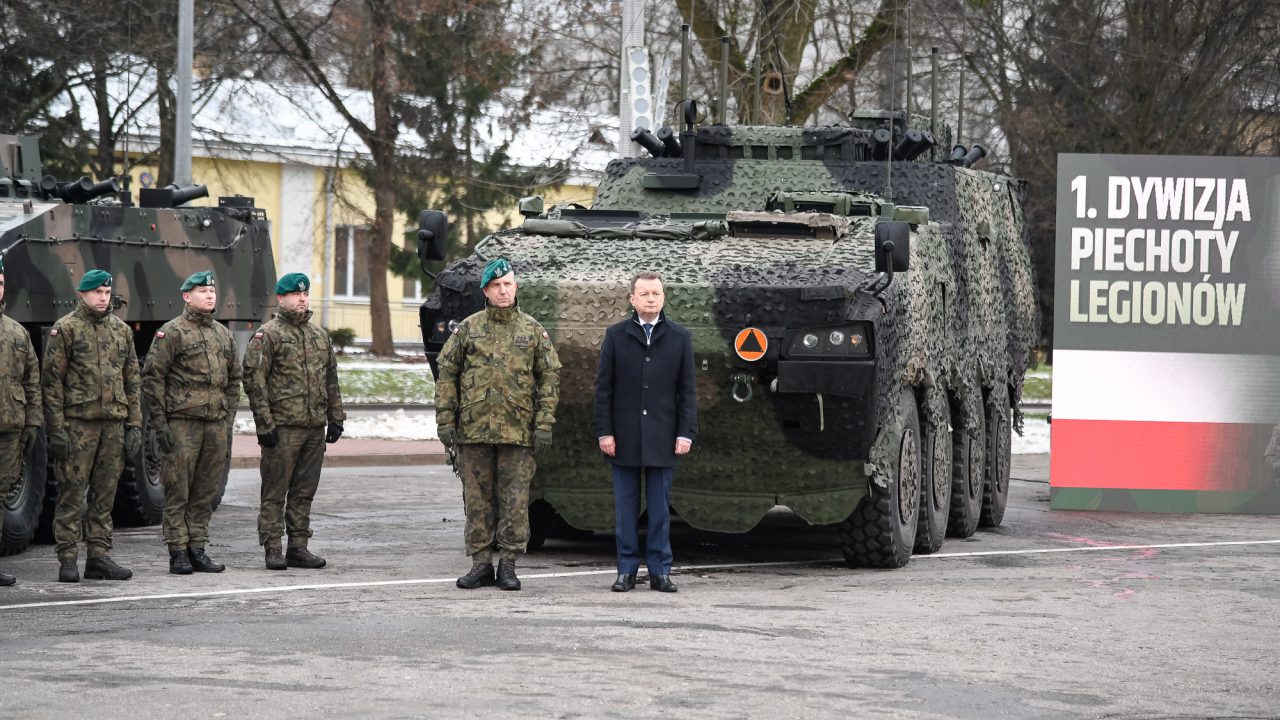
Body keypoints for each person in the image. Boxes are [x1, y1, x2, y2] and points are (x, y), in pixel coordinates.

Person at [435, 258, 561, 591]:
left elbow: (549, 378)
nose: (502, 290)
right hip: (473, 430)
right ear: (486, 291)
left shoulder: (532, 331)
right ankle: (480, 563)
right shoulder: (469, 329)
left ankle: (508, 564)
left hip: (518, 432)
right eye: (496, 286)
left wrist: (544, 424)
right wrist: (446, 420)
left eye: (507, 284)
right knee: (477, 499)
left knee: (515, 500)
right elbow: (446, 373)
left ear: (515, 287)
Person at [594, 271, 696, 593]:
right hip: (622, 436)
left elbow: (688, 391)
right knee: (625, 510)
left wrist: (686, 432)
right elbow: (603, 390)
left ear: (663, 298)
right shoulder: (616, 335)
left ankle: (660, 571)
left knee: (659, 510)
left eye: (656, 294)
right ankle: (625, 570)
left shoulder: (680, 338)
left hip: (663, 436)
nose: (651, 299)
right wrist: (604, 432)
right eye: (645, 294)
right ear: (632, 299)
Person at [43, 269, 142, 583]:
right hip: (78, 426)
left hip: (112, 425)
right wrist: (56, 428)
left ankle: (98, 557)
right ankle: (68, 559)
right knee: (72, 494)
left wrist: (135, 425)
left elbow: (132, 381)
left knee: (105, 495)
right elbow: (52, 384)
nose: (103, 297)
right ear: (82, 293)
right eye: (97, 292)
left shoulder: (121, 331)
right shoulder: (66, 329)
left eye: (107, 292)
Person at [242, 273, 345, 571]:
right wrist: (264, 424)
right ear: (281, 298)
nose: (302, 299)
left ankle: (298, 546)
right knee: (275, 491)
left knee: (304, 490)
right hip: (283, 428)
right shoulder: (268, 334)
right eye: (295, 295)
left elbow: (331, 379)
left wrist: (336, 417)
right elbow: (254, 380)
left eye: (305, 294)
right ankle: (273, 547)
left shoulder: (318, 335)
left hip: (313, 427)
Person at [142, 271, 241, 575]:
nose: (210, 295)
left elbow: (234, 378)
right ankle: (177, 551)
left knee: (205, 491)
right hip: (183, 424)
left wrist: (227, 417)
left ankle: (197, 547)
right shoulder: (172, 333)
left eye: (212, 290)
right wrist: (160, 425)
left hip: (214, 425)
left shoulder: (222, 334)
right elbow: (153, 378)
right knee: (178, 490)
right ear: (187, 296)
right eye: (202, 290)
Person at [0, 256, 42, 586]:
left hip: (10, 428)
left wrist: (31, 424)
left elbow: (31, 383)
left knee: (1, 494)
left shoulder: (17, 333)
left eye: (0, 283)